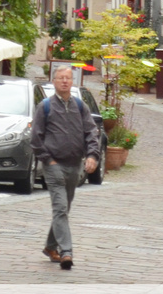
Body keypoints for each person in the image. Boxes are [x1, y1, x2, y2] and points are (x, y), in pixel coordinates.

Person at [31, 65, 103, 270]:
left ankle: (50, 246)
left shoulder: (80, 107)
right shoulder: (45, 107)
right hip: (53, 165)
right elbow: (35, 138)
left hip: (74, 165)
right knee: (60, 207)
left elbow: (91, 132)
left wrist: (92, 155)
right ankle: (66, 252)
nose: (64, 81)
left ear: (73, 82)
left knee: (64, 209)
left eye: (68, 78)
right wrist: (48, 159)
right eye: (60, 78)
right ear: (53, 82)